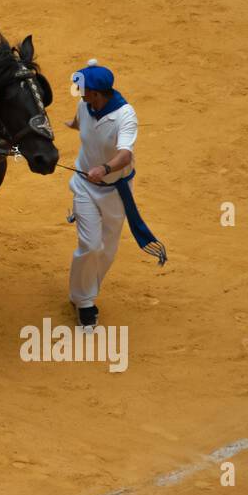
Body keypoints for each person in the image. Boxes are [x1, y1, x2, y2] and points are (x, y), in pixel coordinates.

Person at [65, 59, 166, 327]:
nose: (77, 91)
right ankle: (84, 300)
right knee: (90, 244)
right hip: (84, 185)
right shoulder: (85, 105)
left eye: (81, 88)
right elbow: (79, 121)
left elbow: (125, 155)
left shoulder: (125, 115)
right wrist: (71, 124)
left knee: (106, 251)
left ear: (96, 93)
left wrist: (104, 168)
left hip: (115, 192)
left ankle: (84, 292)